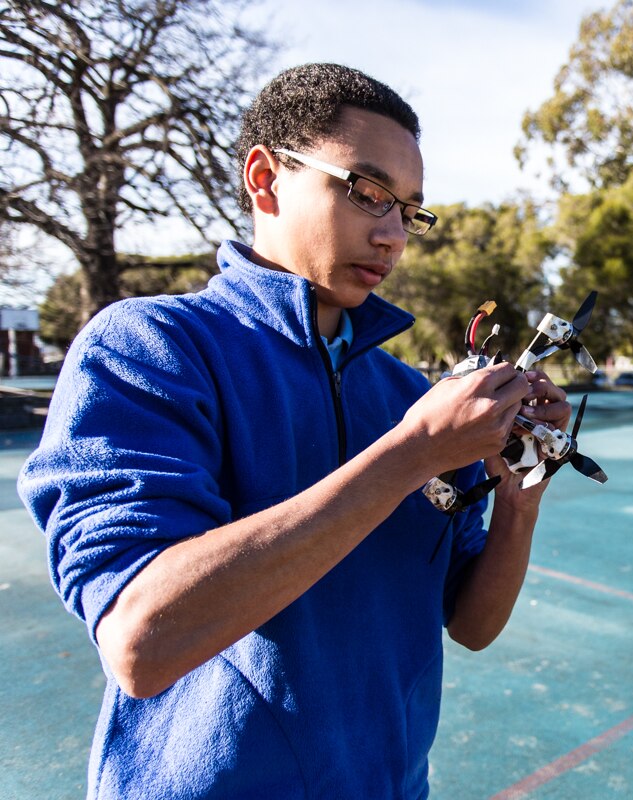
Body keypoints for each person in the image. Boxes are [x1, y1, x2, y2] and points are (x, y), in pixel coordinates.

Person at [18, 63, 570, 799]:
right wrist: (411, 455)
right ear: (264, 178)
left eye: (410, 211)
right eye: (367, 193)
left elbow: (472, 622)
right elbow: (141, 641)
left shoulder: (411, 394)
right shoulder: (149, 348)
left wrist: (520, 493)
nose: (392, 234)